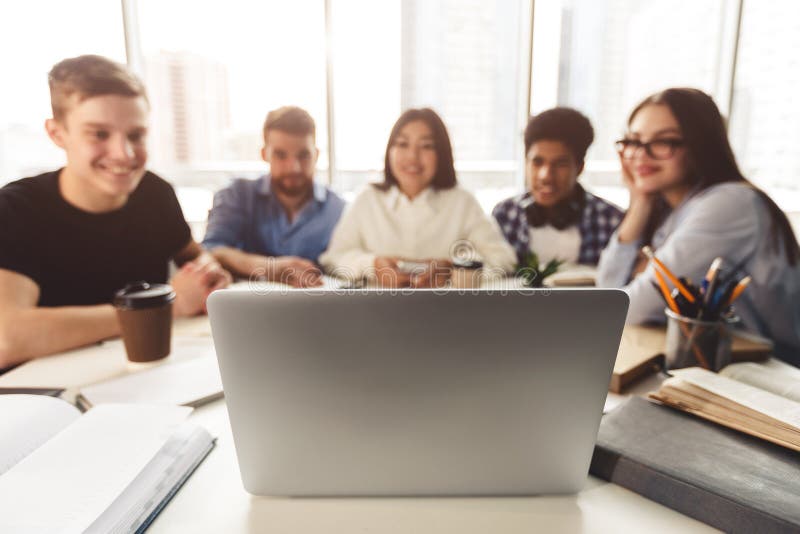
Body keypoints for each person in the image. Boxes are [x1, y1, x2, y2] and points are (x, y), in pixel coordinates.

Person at [0, 55, 231, 367]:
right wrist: (165, 305)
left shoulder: (156, 193)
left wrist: (207, 273)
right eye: (99, 134)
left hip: (144, 374)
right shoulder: (16, 209)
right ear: (57, 134)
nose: (124, 154)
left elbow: (194, 255)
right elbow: (8, 336)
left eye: (136, 135)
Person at [596, 87, 800, 363]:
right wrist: (639, 202)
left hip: (773, 373)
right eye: (633, 141)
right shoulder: (675, 209)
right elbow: (607, 290)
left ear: (699, 144)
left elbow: (626, 309)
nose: (640, 155)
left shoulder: (729, 204)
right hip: (718, 360)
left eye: (663, 141)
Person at [319, 108, 516, 287]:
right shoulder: (368, 199)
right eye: (402, 144)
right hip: (377, 312)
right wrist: (373, 265)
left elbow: (503, 259)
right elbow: (333, 258)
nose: (412, 156)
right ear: (389, 151)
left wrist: (454, 269)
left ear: (442, 153)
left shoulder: (462, 202)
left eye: (426, 146)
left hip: (445, 313)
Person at [203, 106, 345, 288]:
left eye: (303, 156)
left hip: (316, 310)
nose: (293, 168)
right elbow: (212, 250)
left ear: (316, 155)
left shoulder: (339, 209)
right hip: (249, 310)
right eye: (280, 155)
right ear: (264, 154)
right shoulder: (237, 195)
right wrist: (272, 268)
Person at [492, 107, 623, 267]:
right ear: (526, 163)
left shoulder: (611, 220)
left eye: (560, 164)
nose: (545, 176)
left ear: (580, 167)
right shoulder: (504, 215)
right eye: (537, 162)